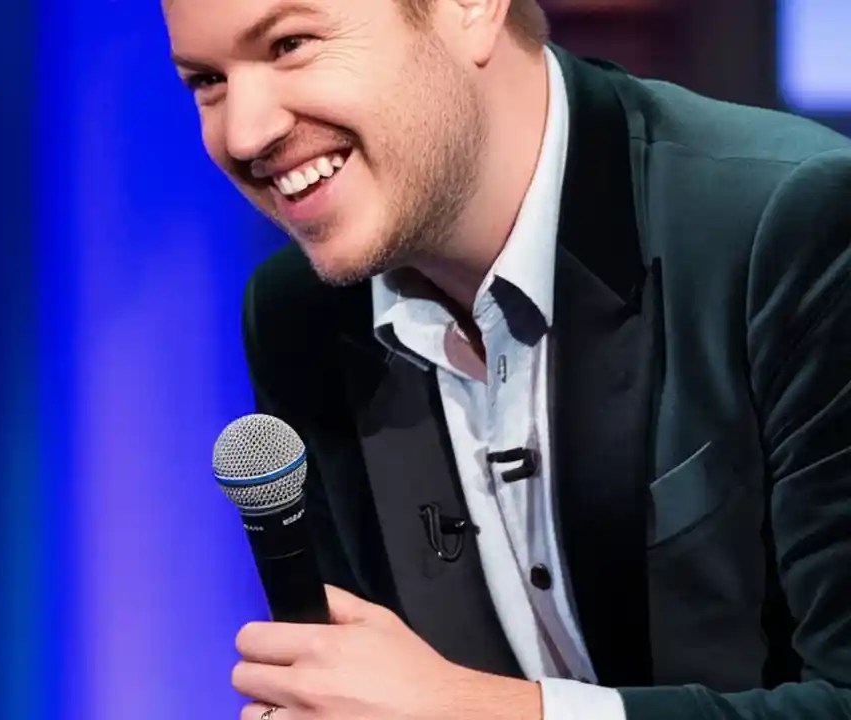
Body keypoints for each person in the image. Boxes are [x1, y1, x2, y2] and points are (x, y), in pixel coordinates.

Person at [164, 0, 851, 718]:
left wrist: (479, 711)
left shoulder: (792, 224)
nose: (245, 133)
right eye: (207, 81)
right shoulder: (297, 316)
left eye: (290, 44)